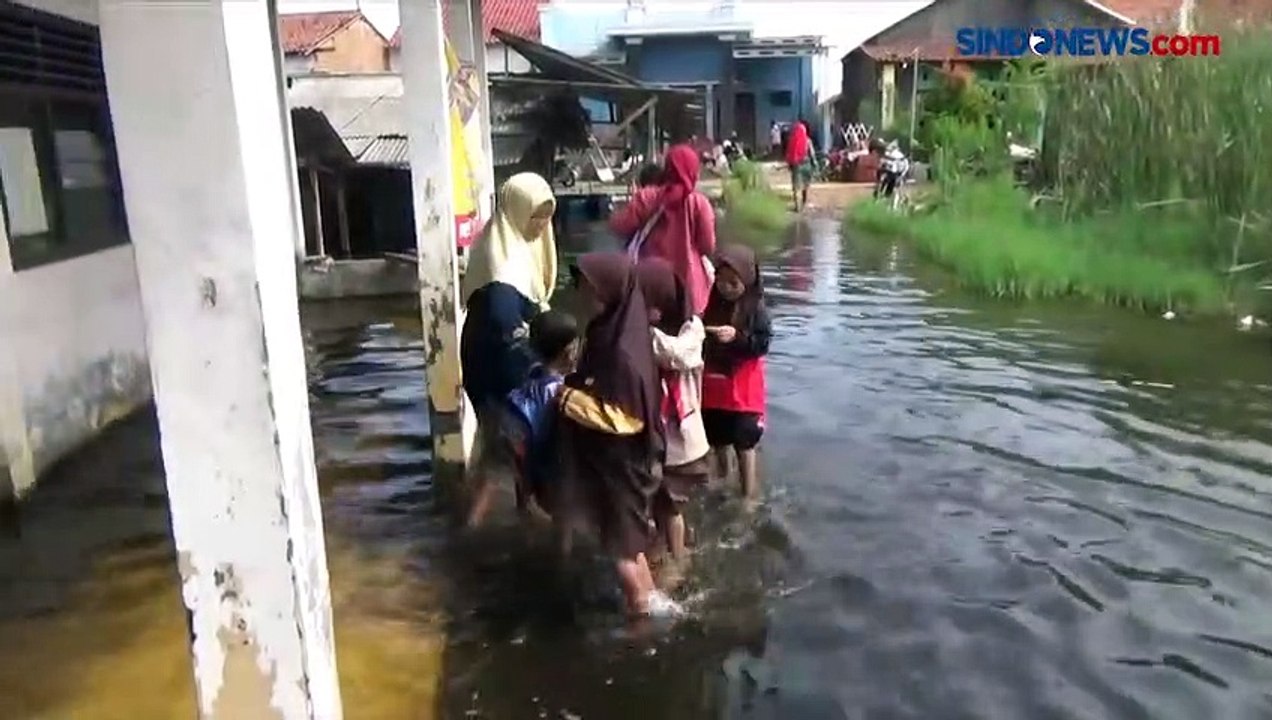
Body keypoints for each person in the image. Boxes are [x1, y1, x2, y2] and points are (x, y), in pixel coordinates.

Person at [556, 252, 680, 617]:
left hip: (625, 461)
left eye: (588, 290)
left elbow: (625, 418)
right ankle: (654, 602)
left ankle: (640, 618)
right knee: (631, 542)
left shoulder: (623, 352)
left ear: (610, 291)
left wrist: (565, 399)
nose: (581, 297)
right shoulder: (614, 328)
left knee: (620, 552)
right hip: (624, 460)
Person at [460, 173, 558, 525]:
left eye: (547, 215)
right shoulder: (502, 263)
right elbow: (505, 326)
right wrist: (542, 365)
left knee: (511, 448)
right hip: (496, 368)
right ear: (516, 212)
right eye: (535, 216)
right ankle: (472, 530)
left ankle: (516, 512)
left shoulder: (516, 244)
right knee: (501, 451)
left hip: (498, 360)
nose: (542, 225)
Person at [465, 310, 579, 528]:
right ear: (569, 352)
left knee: (492, 479)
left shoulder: (532, 373)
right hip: (538, 457)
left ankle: (472, 527)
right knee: (564, 510)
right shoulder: (561, 391)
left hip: (512, 434)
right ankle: (561, 554)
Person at [637, 258, 709, 570]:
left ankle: (677, 562)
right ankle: (664, 554)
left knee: (672, 507)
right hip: (657, 435)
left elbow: (675, 355)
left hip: (682, 438)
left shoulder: (692, 330)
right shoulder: (649, 331)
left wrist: (645, 332)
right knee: (656, 503)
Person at [701, 245, 771, 509]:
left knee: (744, 440)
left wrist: (738, 337)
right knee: (717, 436)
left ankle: (748, 495)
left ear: (748, 280)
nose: (726, 288)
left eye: (733, 283)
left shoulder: (757, 310)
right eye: (721, 281)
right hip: (714, 386)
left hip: (743, 389)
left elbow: (762, 344)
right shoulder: (712, 304)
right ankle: (721, 478)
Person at [609, 144, 716, 314]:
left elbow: (619, 226)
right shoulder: (699, 203)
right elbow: (707, 246)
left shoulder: (647, 197)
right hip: (690, 287)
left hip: (650, 284)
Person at [785, 118, 814, 212]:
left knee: (796, 187)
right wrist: (815, 165)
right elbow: (812, 154)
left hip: (796, 166)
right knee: (805, 186)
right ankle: (804, 204)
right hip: (806, 165)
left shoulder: (792, 140)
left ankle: (797, 207)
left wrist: (790, 165)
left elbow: (789, 153)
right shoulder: (808, 141)